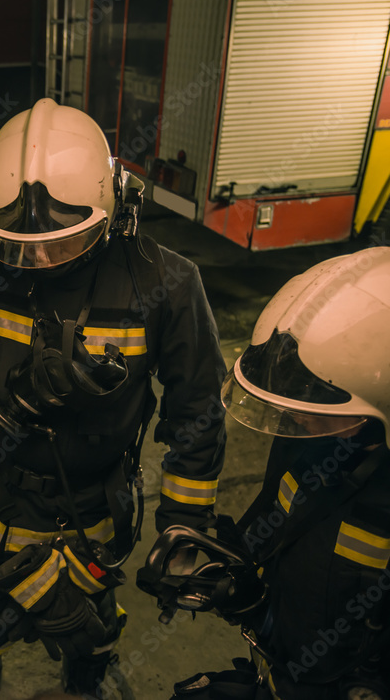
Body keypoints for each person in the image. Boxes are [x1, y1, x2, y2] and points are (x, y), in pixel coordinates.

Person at [0, 98, 227, 699]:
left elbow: (197, 411)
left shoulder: (165, 281)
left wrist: (183, 526)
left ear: (111, 208)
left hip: (90, 512)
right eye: (21, 245)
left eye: (64, 243)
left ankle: (87, 669)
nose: (38, 258)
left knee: (91, 620)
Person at [156, 246, 390, 699]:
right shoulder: (316, 438)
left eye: (316, 407)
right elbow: (279, 530)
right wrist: (238, 581)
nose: (298, 423)